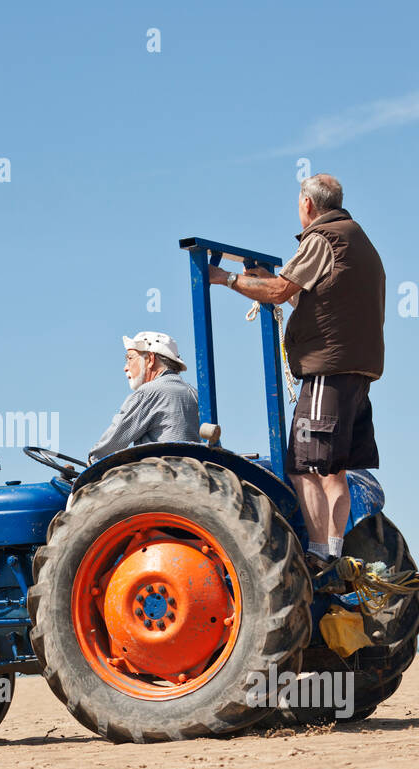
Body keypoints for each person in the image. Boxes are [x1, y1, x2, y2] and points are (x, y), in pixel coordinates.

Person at [208, 174, 386, 571]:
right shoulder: (358, 240)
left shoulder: (322, 240)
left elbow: (278, 292)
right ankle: (336, 550)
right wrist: (263, 283)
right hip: (358, 370)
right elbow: (316, 301)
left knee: (303, 466)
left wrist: (227, 279)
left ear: (307, 204)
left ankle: (321, 553)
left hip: (326, 367)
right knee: (335, 469)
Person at [88, 331, 199, 464]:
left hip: (160, 475)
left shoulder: (149, 392)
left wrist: (93, 459)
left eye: (130, 358)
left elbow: (113, 442)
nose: (125, 368)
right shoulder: (195, 394)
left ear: (150, 359)